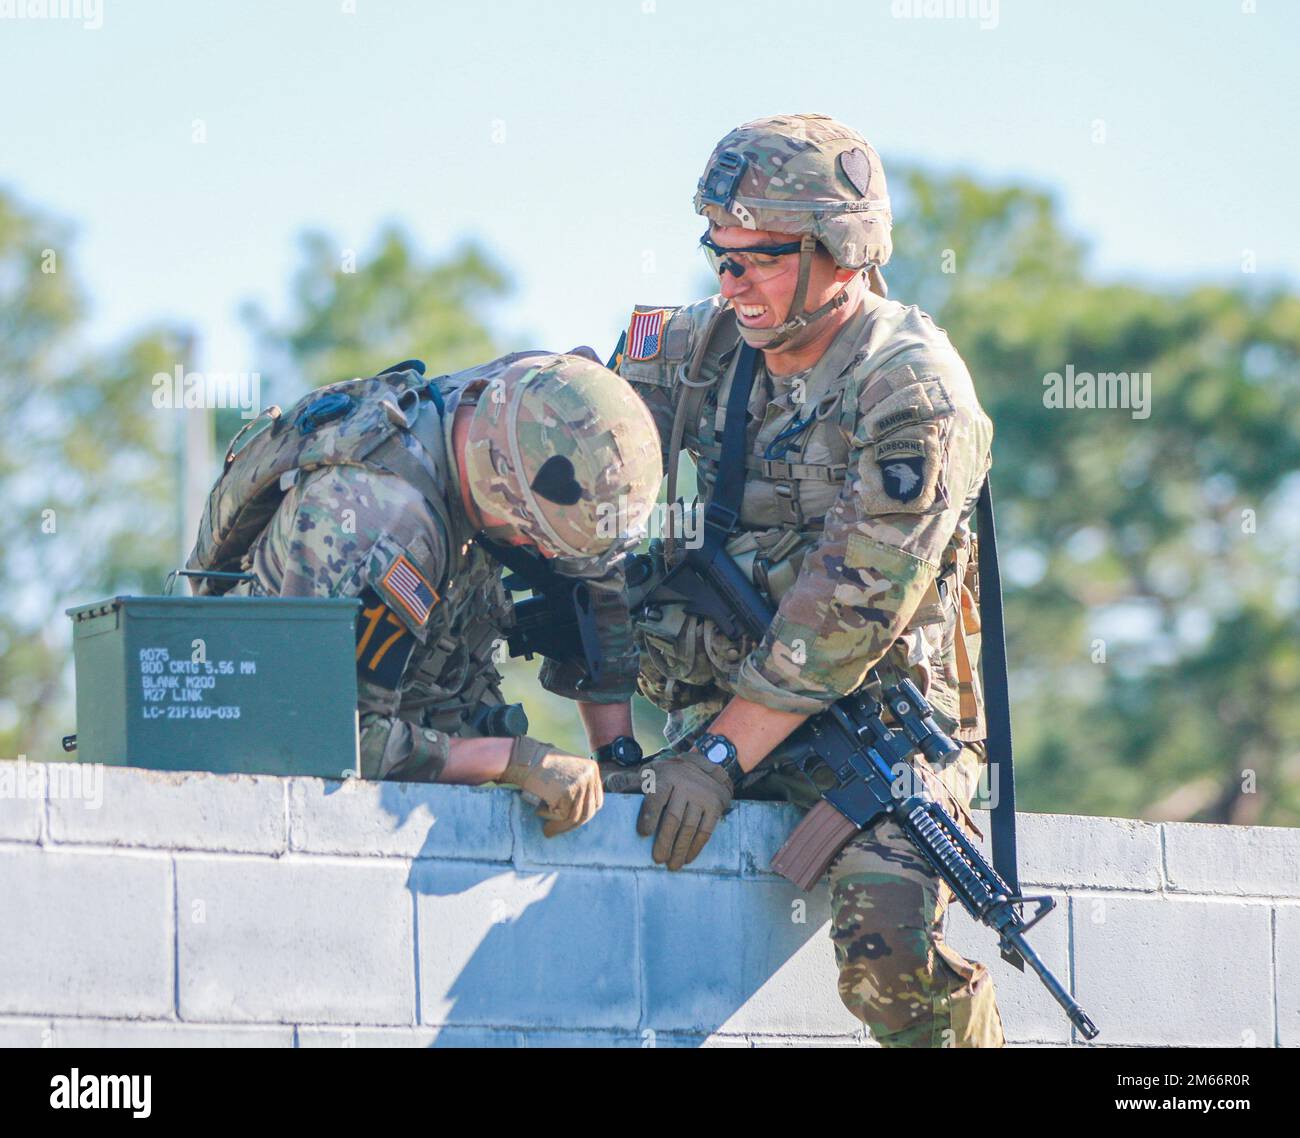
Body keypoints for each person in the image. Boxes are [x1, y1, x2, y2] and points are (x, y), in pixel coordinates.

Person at [609, 114, 1005, 1046]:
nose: (728, 281)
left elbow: (854, 608)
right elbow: (581, 471)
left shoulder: (911, 388)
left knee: (888, 950)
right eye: (719, 253)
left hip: (881, 735)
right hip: (719, 725)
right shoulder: (692, 352)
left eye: (760, 257)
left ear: (844, 252)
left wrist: (714, 758)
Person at [187, 350, 661, 837]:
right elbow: (326, 741)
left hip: (413, 702)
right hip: (275, 758)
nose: (540, 553)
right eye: (536, 539)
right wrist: (509, 758)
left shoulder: (542, 400)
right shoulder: (381, 524)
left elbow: (598, 576)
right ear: (501, 491)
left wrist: (613, 753)